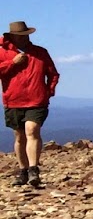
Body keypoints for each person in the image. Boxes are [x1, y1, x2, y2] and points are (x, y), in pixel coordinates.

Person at [1, 20, 60, 188]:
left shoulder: (40, 52)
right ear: (12, 36)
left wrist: (48, 91)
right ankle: (23, 171)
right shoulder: (3, 53)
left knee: (32, 130)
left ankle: (34, 170)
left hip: (37, 100)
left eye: (26, 35)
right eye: (21, 35)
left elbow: (53, 74)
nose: (24, 38)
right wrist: (12, 63)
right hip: (14, 100)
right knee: (19, 136)